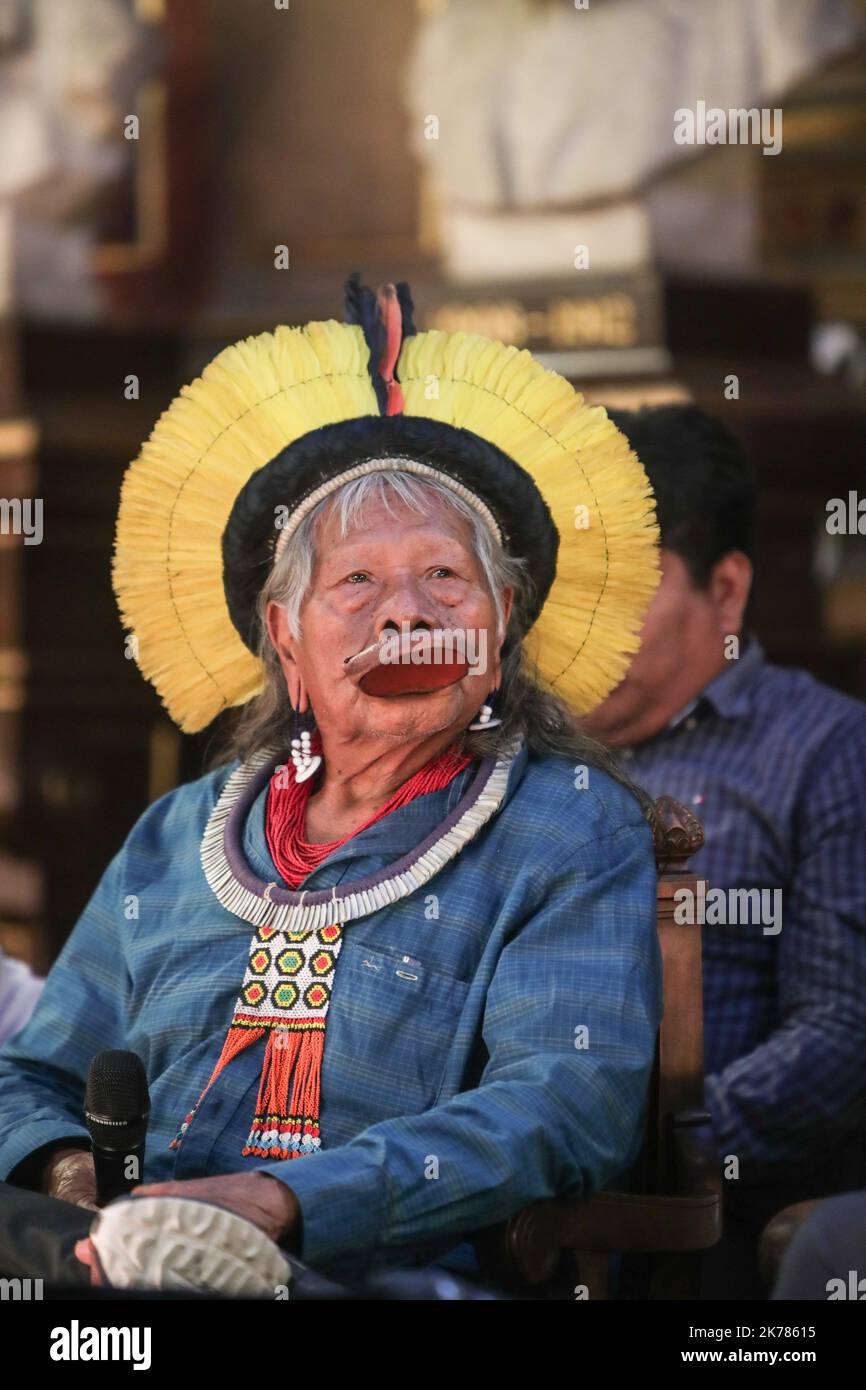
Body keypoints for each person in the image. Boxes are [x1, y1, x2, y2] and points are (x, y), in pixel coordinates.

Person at [0, 279, 662, 1293]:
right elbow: (34, 1072)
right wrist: (73, 1171)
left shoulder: (565, 828)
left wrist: (287, 1201)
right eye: (355, 583)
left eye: (445, 576)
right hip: (108, 1258)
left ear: (502, 622)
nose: (405, 617)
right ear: (285, 640)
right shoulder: (178, 837)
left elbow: (565, 1099)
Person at [584, 404, 866, 1296]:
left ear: (728, 591)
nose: (583, 625)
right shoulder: (511, 750)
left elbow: (842, 1035)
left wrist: (650, 1145)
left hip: (714, 1225)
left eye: (626, 585)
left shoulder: (828, 751)